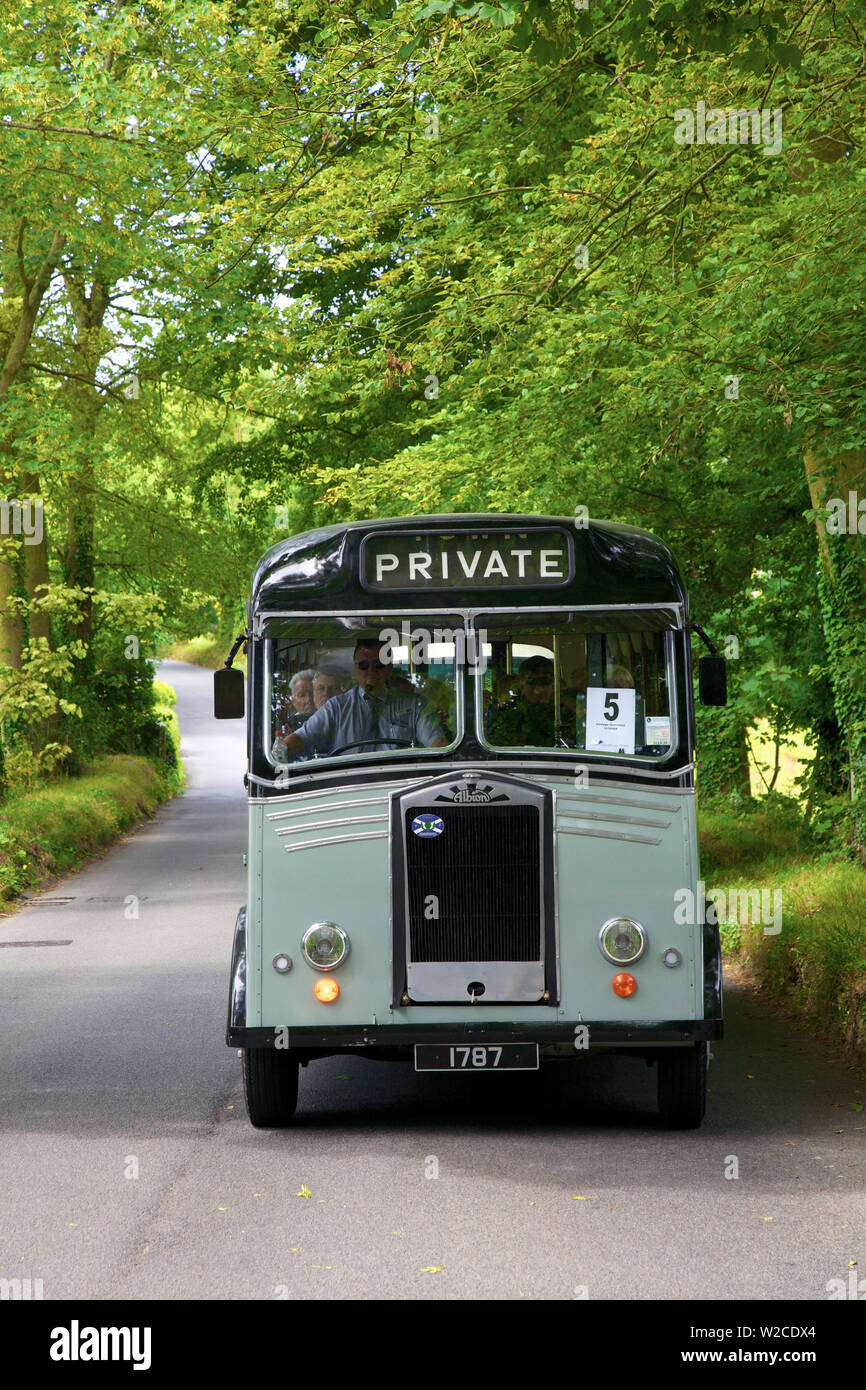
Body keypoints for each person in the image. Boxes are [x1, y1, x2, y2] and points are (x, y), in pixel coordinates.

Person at [274, 640, 450, 761]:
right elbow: (303, 737)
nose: (371, 671)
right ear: (356, 670)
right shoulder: (337, 707)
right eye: (364, 665)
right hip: (348, 785)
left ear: (389, 668)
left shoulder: (415, 706)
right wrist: (275, 758)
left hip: (400, 783)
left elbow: (436, 743)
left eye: (379, 665)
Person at [486, 655, 558, 747]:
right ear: (521, 683)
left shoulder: (562, 711)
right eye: (532, 681)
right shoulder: (506, 710)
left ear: (554, 684)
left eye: (545, 681)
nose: (538, 688)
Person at [271, 668, 315, 760]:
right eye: (302, 695)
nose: (308, 700)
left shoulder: (332, 720)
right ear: (293, 701)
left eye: (312, 693)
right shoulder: (287, 728)